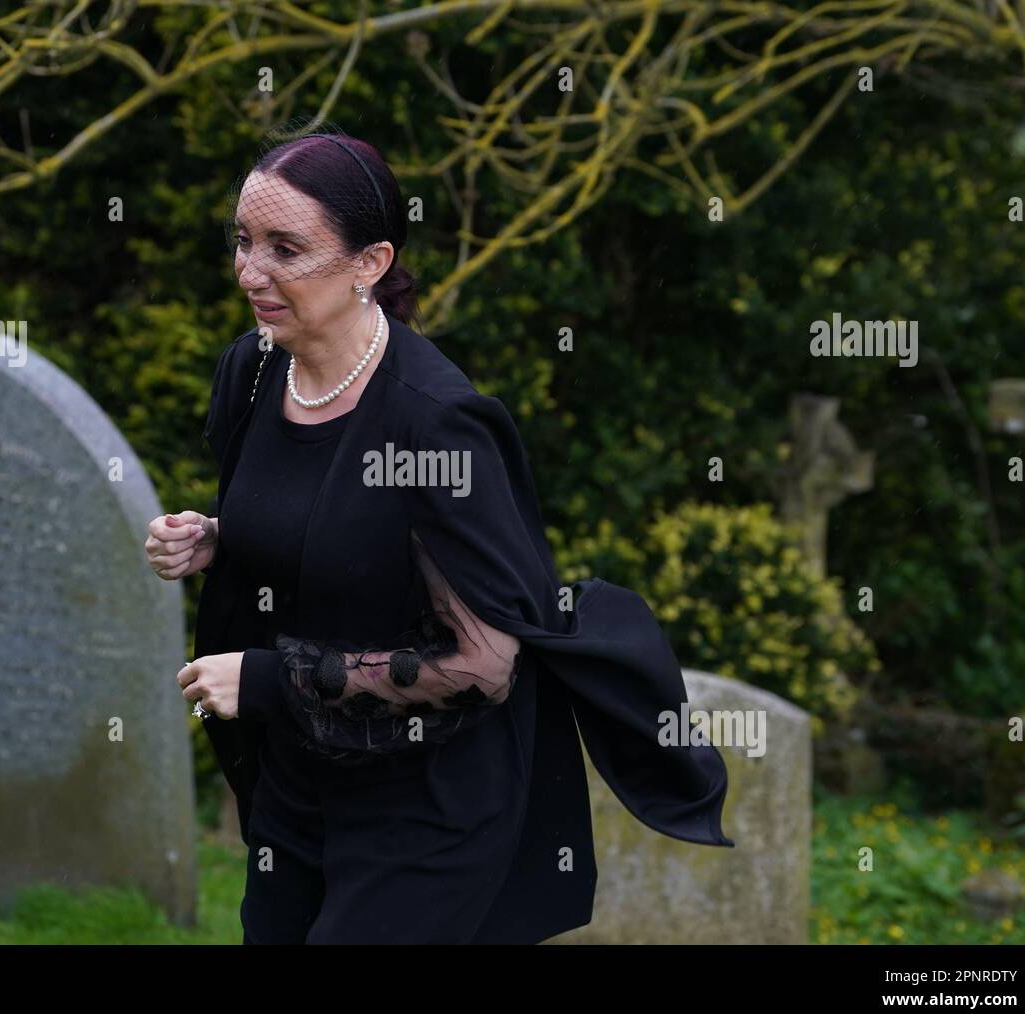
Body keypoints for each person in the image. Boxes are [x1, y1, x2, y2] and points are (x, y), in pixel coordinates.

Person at [145, 126, 733, 945]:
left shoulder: (435, 426)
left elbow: (484, 665)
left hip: (425, 804)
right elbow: (332, 529)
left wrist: (275, 680)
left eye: (285, 248)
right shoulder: (253, 372)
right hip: (298, 784)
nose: (250, 272)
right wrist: (220, 537)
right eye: (242, 241)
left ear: (370, 263)